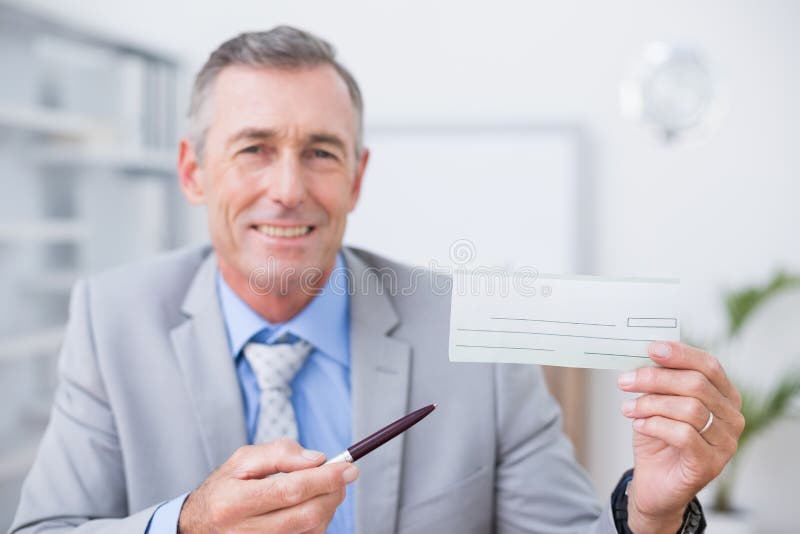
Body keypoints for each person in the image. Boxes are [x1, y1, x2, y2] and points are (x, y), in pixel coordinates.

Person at [10, 26, 743, 534]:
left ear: (357, 178)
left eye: (321, 152)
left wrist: (647, 515)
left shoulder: (470, 337)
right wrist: (188, 524)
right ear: (193, 171)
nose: (289, 188)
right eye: (255, 149)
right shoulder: (111, 322)